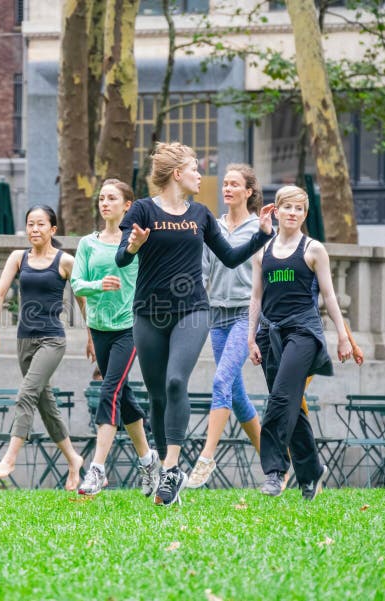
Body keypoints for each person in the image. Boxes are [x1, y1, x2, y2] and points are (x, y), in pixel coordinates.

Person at [116, 142, 274, 506]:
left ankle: (171, 468)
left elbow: (232, 258)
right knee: (156, 394)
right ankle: (161, 466)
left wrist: (263, 235)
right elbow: (122, 258)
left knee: (175, 381)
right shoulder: (142, 209)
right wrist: (135, 245)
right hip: (148, 312)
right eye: (194, 168)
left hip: (192, 310)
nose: (200, 174)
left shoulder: (201, 214)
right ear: (177, 174)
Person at [248, 185, 352, 501]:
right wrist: (250, 337)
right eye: (287, 207)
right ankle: (310, 475)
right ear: (275, 210)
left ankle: (275, 472)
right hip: (269, 335)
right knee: (292, 405)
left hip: (303, 333)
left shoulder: (313, 249)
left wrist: (343, 336)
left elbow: (330, 296)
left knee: (281, 398)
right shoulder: (261, 251)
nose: (292, 213)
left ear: (304, 215)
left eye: (299, 209)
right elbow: (255, 297)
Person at [0, 206, 87, 491]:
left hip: (52, 339)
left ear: (53, 230)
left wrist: (92, 336)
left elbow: (82, 301)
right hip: (24, 339)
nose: (34, 230)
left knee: (26, 395)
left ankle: (10, 458)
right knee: (46, 404)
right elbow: (0, 292)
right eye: (30, 224)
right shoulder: (19, 258)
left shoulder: (65, 261)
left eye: (41, 224)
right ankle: (73, 459)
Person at [71, 178, 161, 496]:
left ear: (127, 206)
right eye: (102, 198)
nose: (104, 203)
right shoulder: (87, 244)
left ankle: (96, 470)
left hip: (129, 327)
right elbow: (76, 283)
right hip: (99, 328)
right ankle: (148, 460)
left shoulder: (134, 243)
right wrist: (99, 286)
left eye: (112, 198)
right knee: (123, 398)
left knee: (109, 391)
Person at [187, 164, 265, 489]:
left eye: (235, 184)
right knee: (236, 394)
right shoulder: (213, 228)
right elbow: (203, 273)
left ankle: (206, 458)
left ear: (249, 192)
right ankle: (277, 461)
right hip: (217, 315)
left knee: (221, 380)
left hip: (245, 317)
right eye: (225, 184)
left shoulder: (258, 229)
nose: (228, 189)